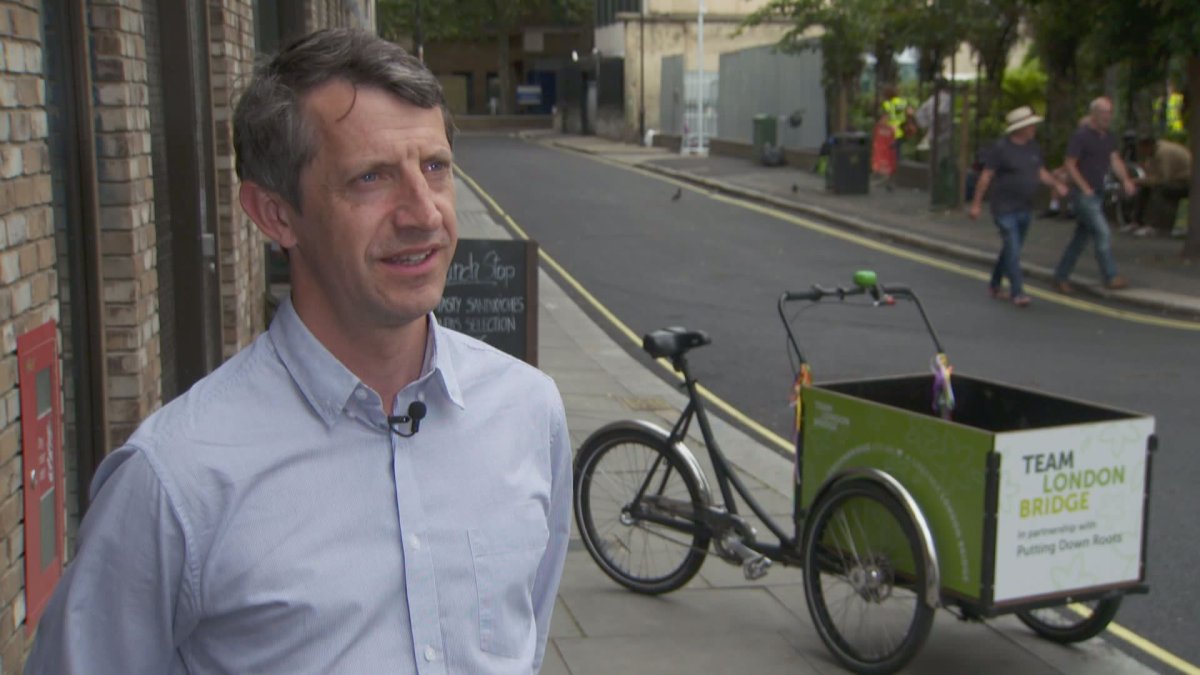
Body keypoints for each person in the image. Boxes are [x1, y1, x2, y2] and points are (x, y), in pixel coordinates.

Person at [27, 28, 571, 674]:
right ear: (276, 215)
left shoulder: (528, 412)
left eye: (435, 167)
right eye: (371, 178)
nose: (424, 213)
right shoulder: (173, 480)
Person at [970, 106, 1069, 307]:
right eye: (1030, 125)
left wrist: (1056, 184)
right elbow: (986, 176)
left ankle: (995, 284)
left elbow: (1040, 172)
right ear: (1020, 128)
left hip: (1025, 207)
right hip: (1004, 208)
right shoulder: (1001, 149)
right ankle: (1018, 292)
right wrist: (976, 204)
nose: (1033, 128)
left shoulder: (1033, 148)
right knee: (1013, 249)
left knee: (1010, 248)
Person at [1052, 97, 1135, 292]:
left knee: (1080, 239)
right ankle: (1110, 276)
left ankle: (1061, 276)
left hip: (1098, 193)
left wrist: (1126, 180)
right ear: (1094, 114)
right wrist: (1083, 187)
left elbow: (1115, 160)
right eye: (1104, 112)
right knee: (1102, 232)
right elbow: (1070, 164)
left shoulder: (1108, 137)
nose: (1108, 117)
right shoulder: (1081, 136)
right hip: (1084, 195)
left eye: (1110, 112)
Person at [1128, 133, 1191, 237]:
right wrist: (1141, 181)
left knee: (1161, 189)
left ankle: (1154, 225)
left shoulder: (1163, 153)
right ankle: (1137, 222)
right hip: (1175, 179)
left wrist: (1139, 181)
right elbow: (1151, 175)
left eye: (1143, 148)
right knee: (1144, 188)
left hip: (1187, 181)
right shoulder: (1152, 154)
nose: (1142, 151)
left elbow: (1163, 179)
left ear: (1148, 146)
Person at [872, 111, 898, 190]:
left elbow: (893, 140)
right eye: (884, 117)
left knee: (889, 168)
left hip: (888, 151)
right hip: (879, 151)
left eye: (887, 118)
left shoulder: (891, 128)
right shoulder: (877, 127)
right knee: (879, 166)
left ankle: (888, 183)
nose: (886, 119)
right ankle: (882, 182)